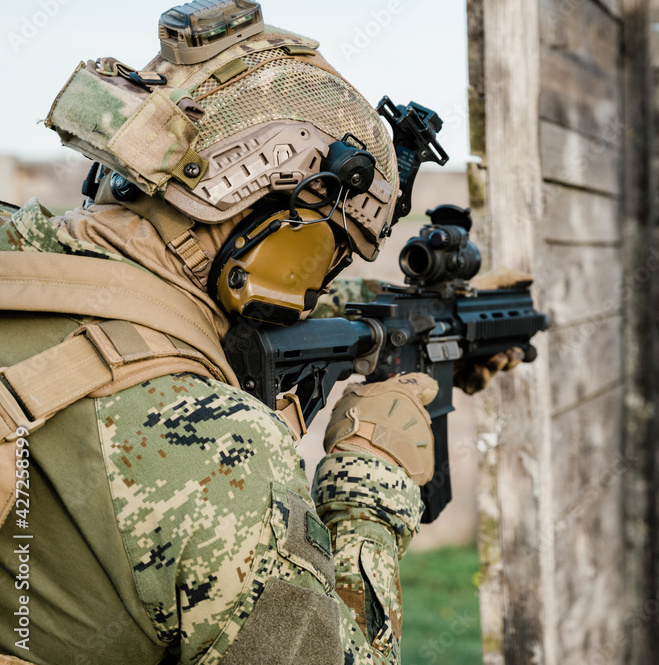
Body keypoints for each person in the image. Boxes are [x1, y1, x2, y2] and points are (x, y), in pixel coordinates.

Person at [0, 3, 493, 663]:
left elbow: (165, 302)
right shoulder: (222, 453)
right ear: (283, 236)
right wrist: (368, 488)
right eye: (329, 255)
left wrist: (390, 319)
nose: (316, 284)